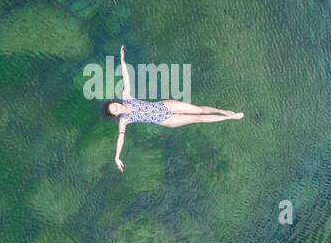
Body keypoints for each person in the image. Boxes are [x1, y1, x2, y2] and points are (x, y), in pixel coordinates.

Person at [102, 45, 243, 172]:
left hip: (164, 105)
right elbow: (120, 138)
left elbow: (126, 78)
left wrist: (122, 60)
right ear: (115, 115)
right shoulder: (124, 120)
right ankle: (229, 117)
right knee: (197, 118)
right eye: (115, 110)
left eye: (115, 105)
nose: (117, 108)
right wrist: (117, 157)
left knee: (198, 109)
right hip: (166, 119)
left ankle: (221, 111)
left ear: (116, 102)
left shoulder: (126, 97)